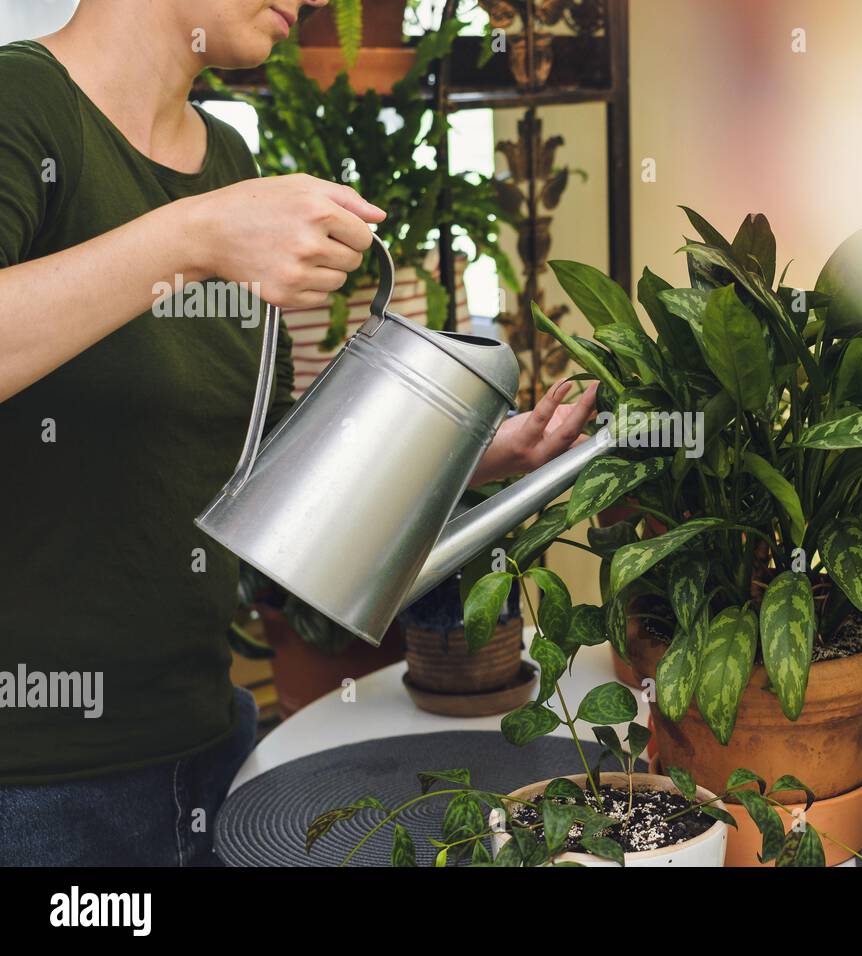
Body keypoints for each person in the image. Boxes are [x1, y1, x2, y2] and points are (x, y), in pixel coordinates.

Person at [0, 0, 597, 865]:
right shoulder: (23, 106)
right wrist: (193, 237)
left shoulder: (228, 162)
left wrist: (470, 456)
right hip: (38, 790)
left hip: (213, 739)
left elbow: (248, 445)